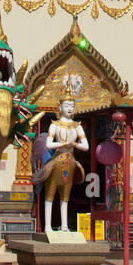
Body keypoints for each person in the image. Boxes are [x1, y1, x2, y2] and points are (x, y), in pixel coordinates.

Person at [34, 74, 89, 234]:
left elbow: (85, 146)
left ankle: (64, 225)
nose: (70, 108)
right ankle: (47, 226)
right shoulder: (54, 126)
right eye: (66, 105)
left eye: (72, 105)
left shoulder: (77, 126)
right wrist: (63, 144)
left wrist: (74, 144)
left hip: (70, 161)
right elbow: (49, 144)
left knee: (65, 195)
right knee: (50, 194)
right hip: (57, 160)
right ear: (60, 107)